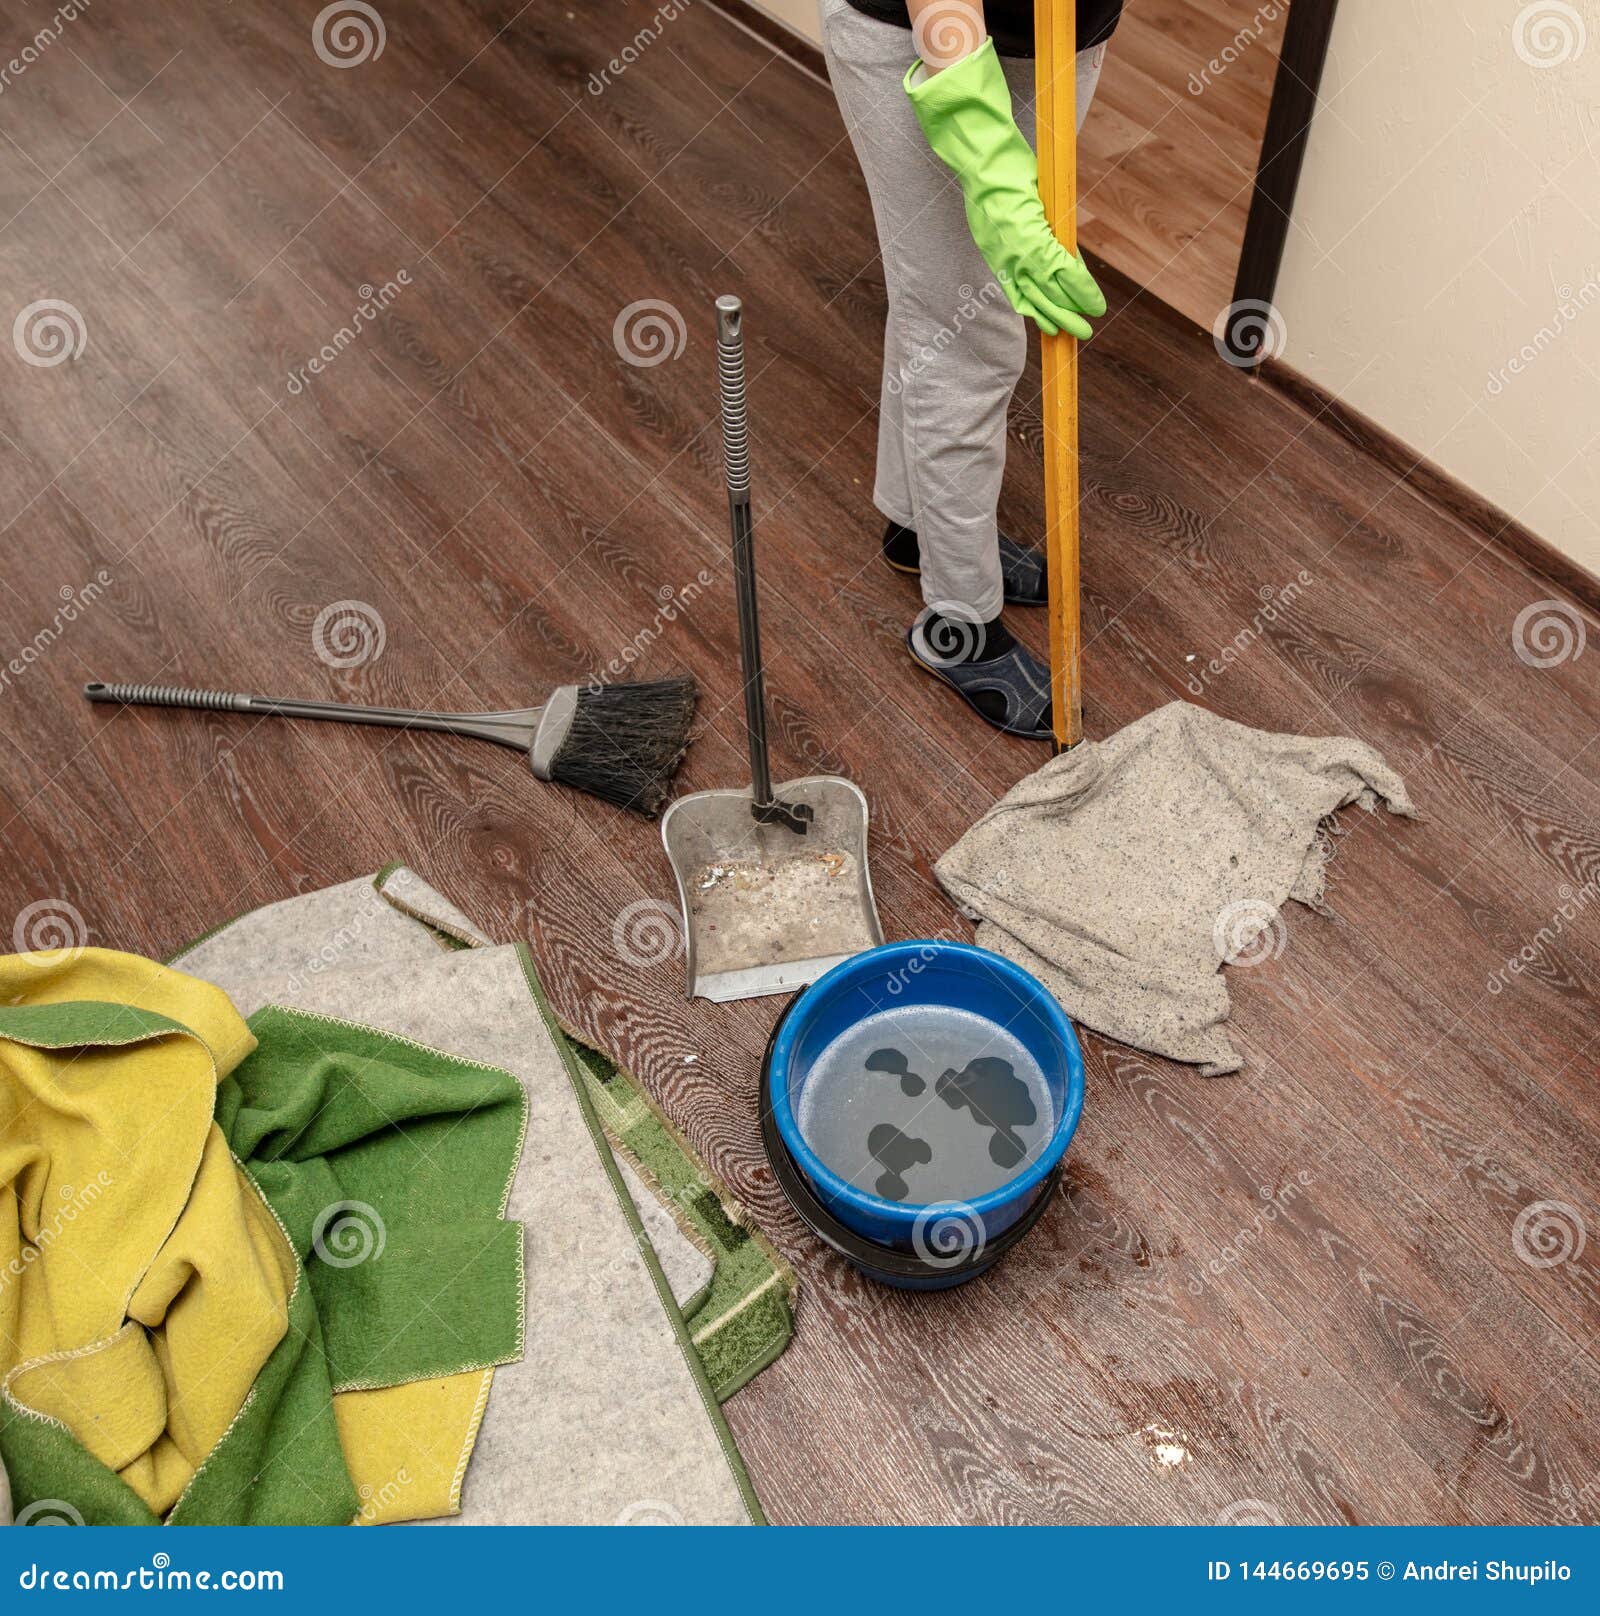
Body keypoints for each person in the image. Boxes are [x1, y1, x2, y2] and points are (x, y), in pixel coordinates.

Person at [822, 0, 1124, 739]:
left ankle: (915, 525)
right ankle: (959, 624)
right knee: (969, 337)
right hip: (926, 43)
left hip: (1058, 44)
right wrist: (993, 173)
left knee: (936, 300)